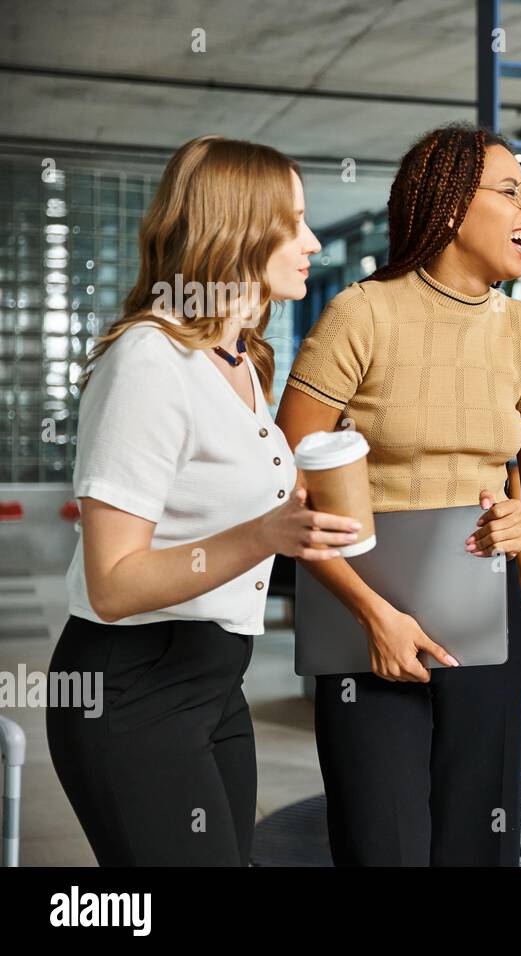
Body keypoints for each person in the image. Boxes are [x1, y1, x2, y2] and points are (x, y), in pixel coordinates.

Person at [47, 135, 358, 866]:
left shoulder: (243, 360)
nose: (312, 241)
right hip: (129, 687)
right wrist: (266, 534)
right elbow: (114, 582)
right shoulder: (149, 362)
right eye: (296, 221)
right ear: (240, 229)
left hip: (215, 685)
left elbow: (222, 504)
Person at [276, 122, 521, 866]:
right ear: (448, 205)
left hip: (484, 611)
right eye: (512, 193)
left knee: (479, 837)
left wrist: (518, 526)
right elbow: (283, 480)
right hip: (363, 609)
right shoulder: (362, 314)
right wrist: (373, 613)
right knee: (383, 842)